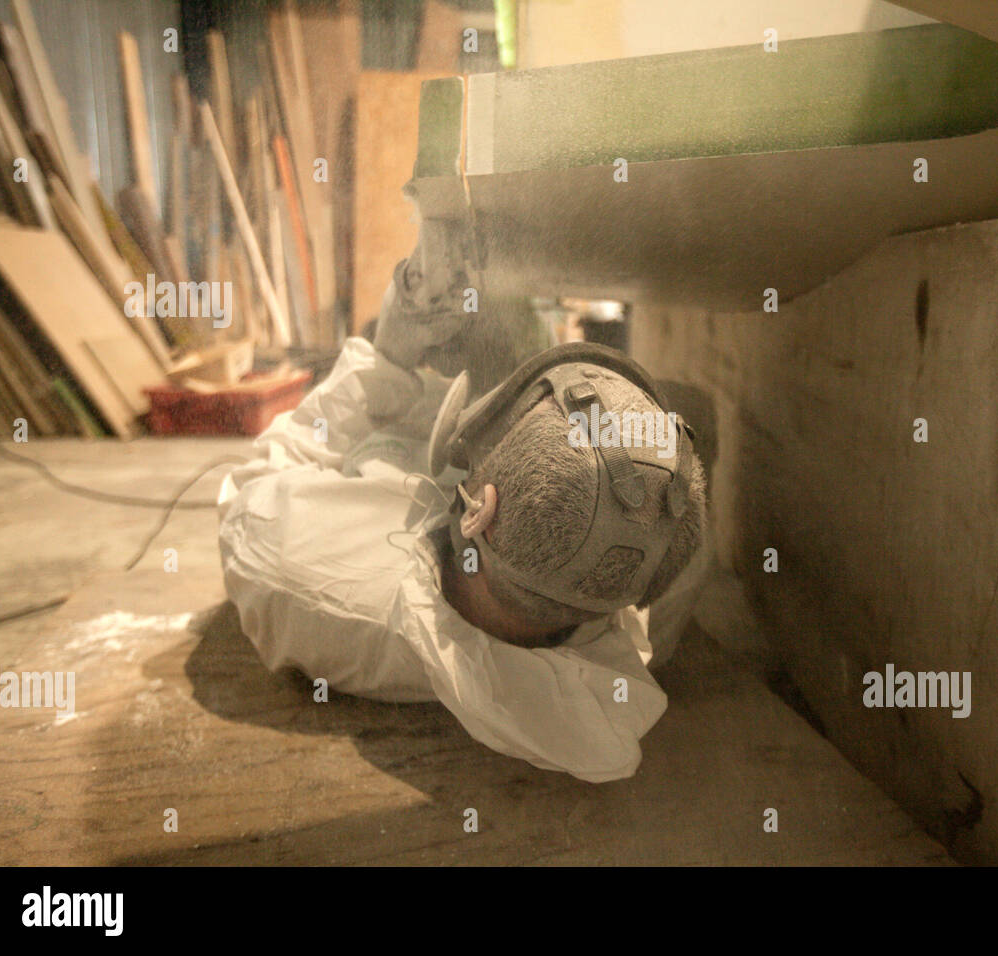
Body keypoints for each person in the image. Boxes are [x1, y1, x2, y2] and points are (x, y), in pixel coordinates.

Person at [217, 215, 709, 782]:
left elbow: (258, 479)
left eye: (508, 416)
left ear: (481, 513)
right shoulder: (658, 570)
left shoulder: (298, 564)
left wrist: (385, 359)